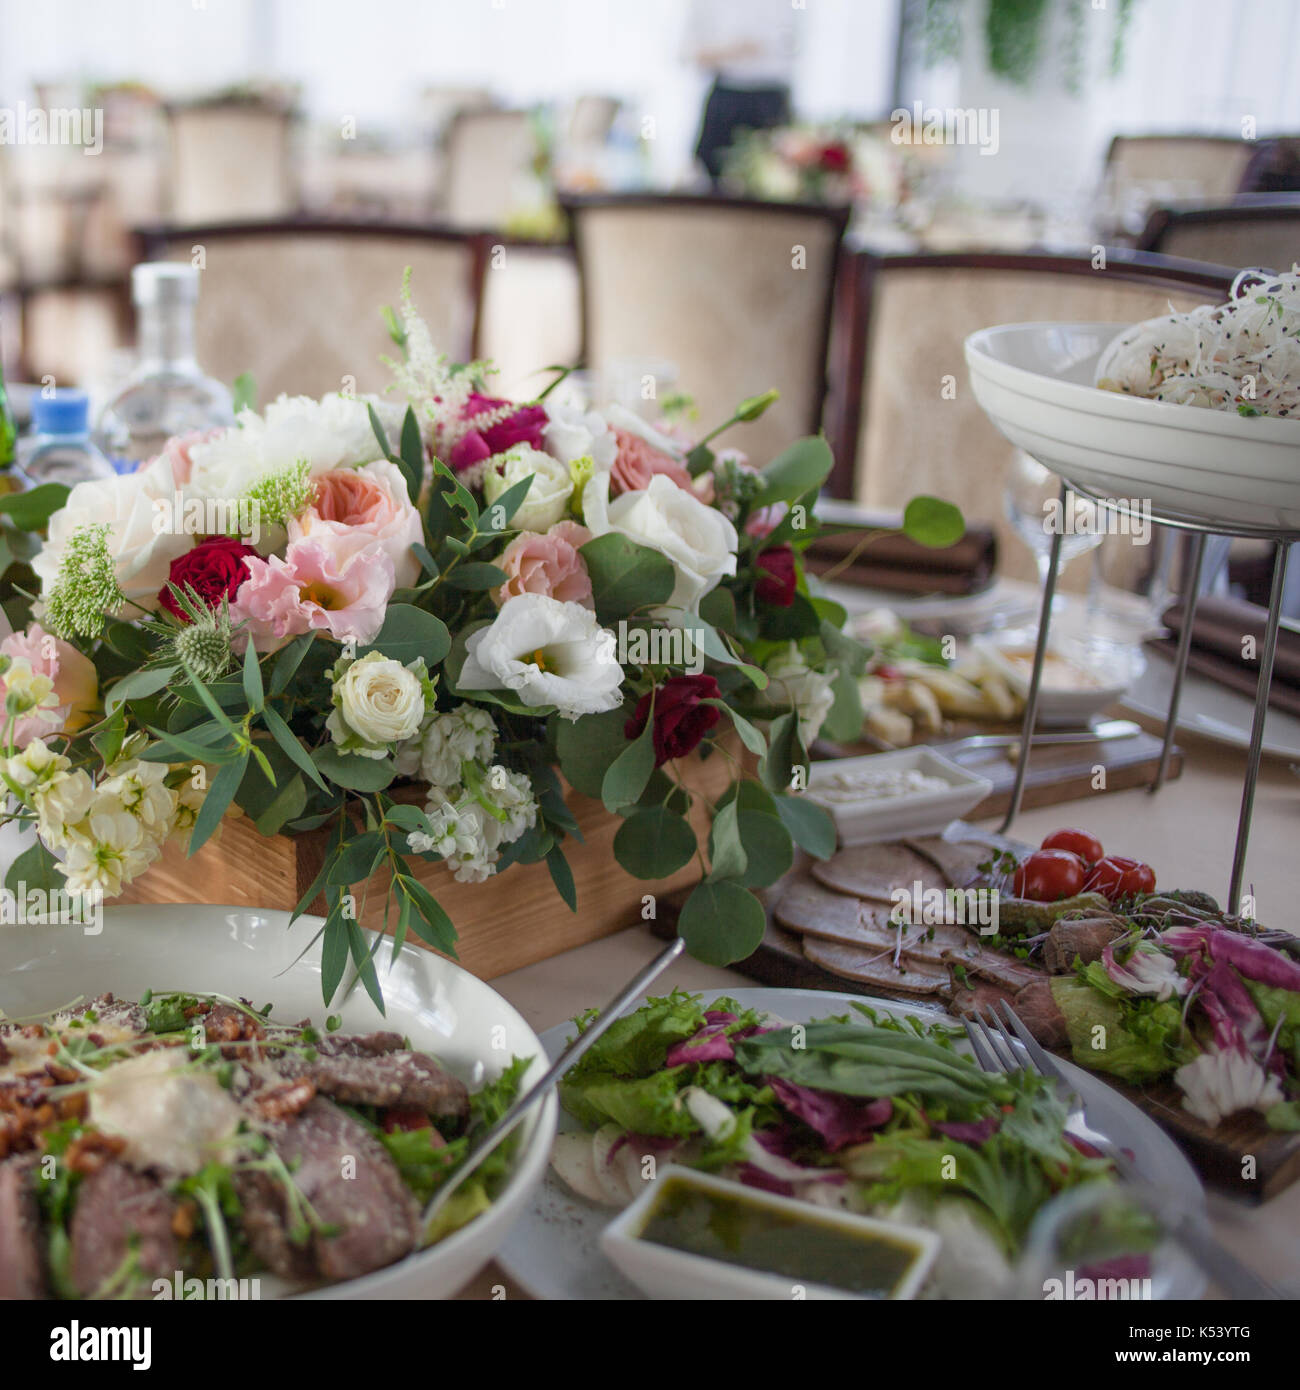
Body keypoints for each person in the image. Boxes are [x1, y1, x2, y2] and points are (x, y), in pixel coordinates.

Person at [684, 0, 800, 184]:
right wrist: (735, 50)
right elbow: (690, 53)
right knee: (713, 179)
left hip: (770, 99)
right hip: (727, 96)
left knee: (778, 180)